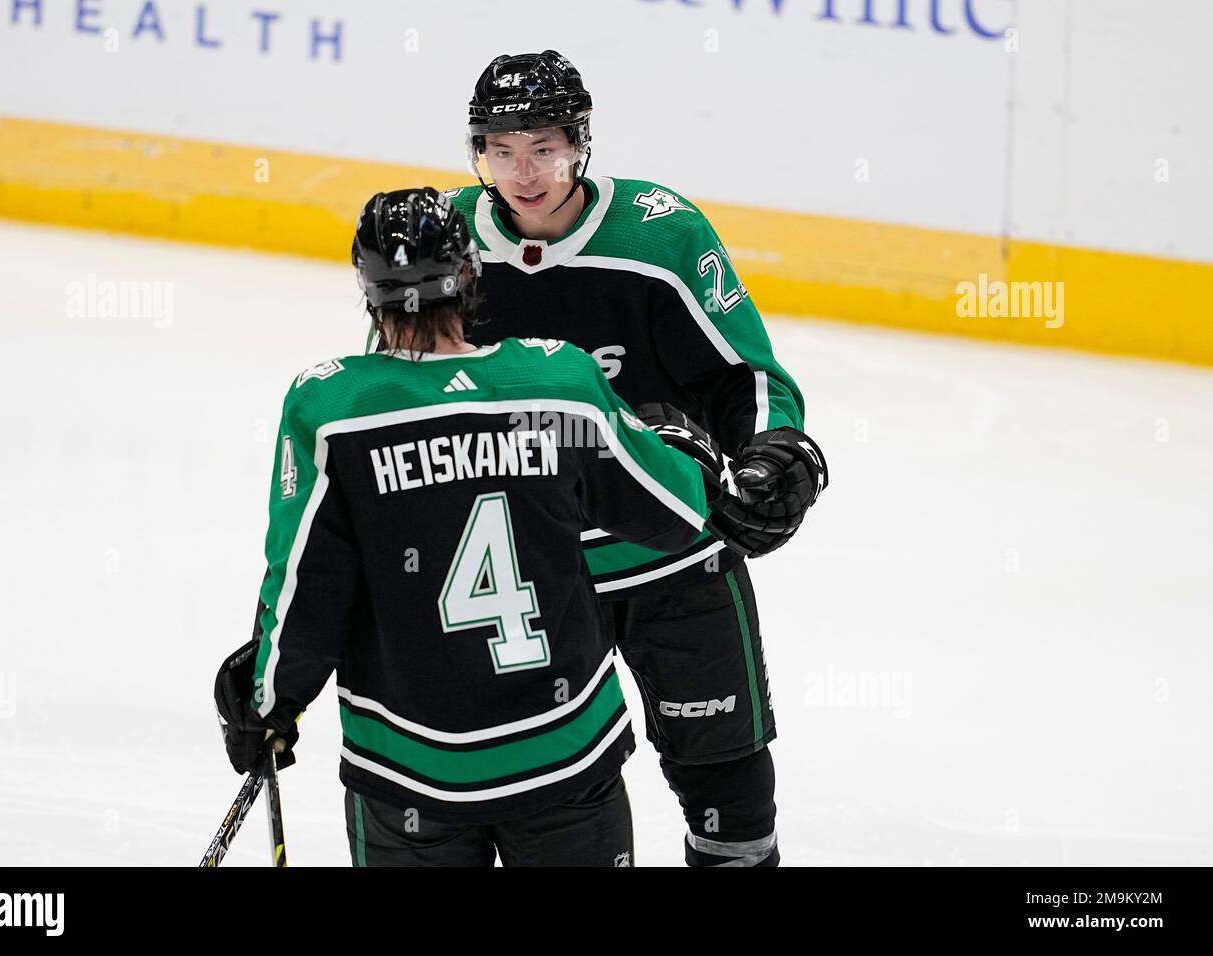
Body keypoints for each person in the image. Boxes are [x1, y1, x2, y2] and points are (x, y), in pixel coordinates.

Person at [215, 187, 727, 866]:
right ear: (470, 275)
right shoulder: (558, 381)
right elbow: (676, 514)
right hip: (563, 758)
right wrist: (686, 448)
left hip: (410, 775)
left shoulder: (333, 407)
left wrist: (268, 700)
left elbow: (306, 584)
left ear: (369, 292)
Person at [438, 50, 830, 866]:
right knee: (551, 806)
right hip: (525, 580)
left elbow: (742, 377)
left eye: (542, 147)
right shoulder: (448, 245)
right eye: (500, 150)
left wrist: (769, 453)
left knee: (732, 799)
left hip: (670, 558)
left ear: (581, 144)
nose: (523, 172)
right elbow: (404, 409)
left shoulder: (662, 233)